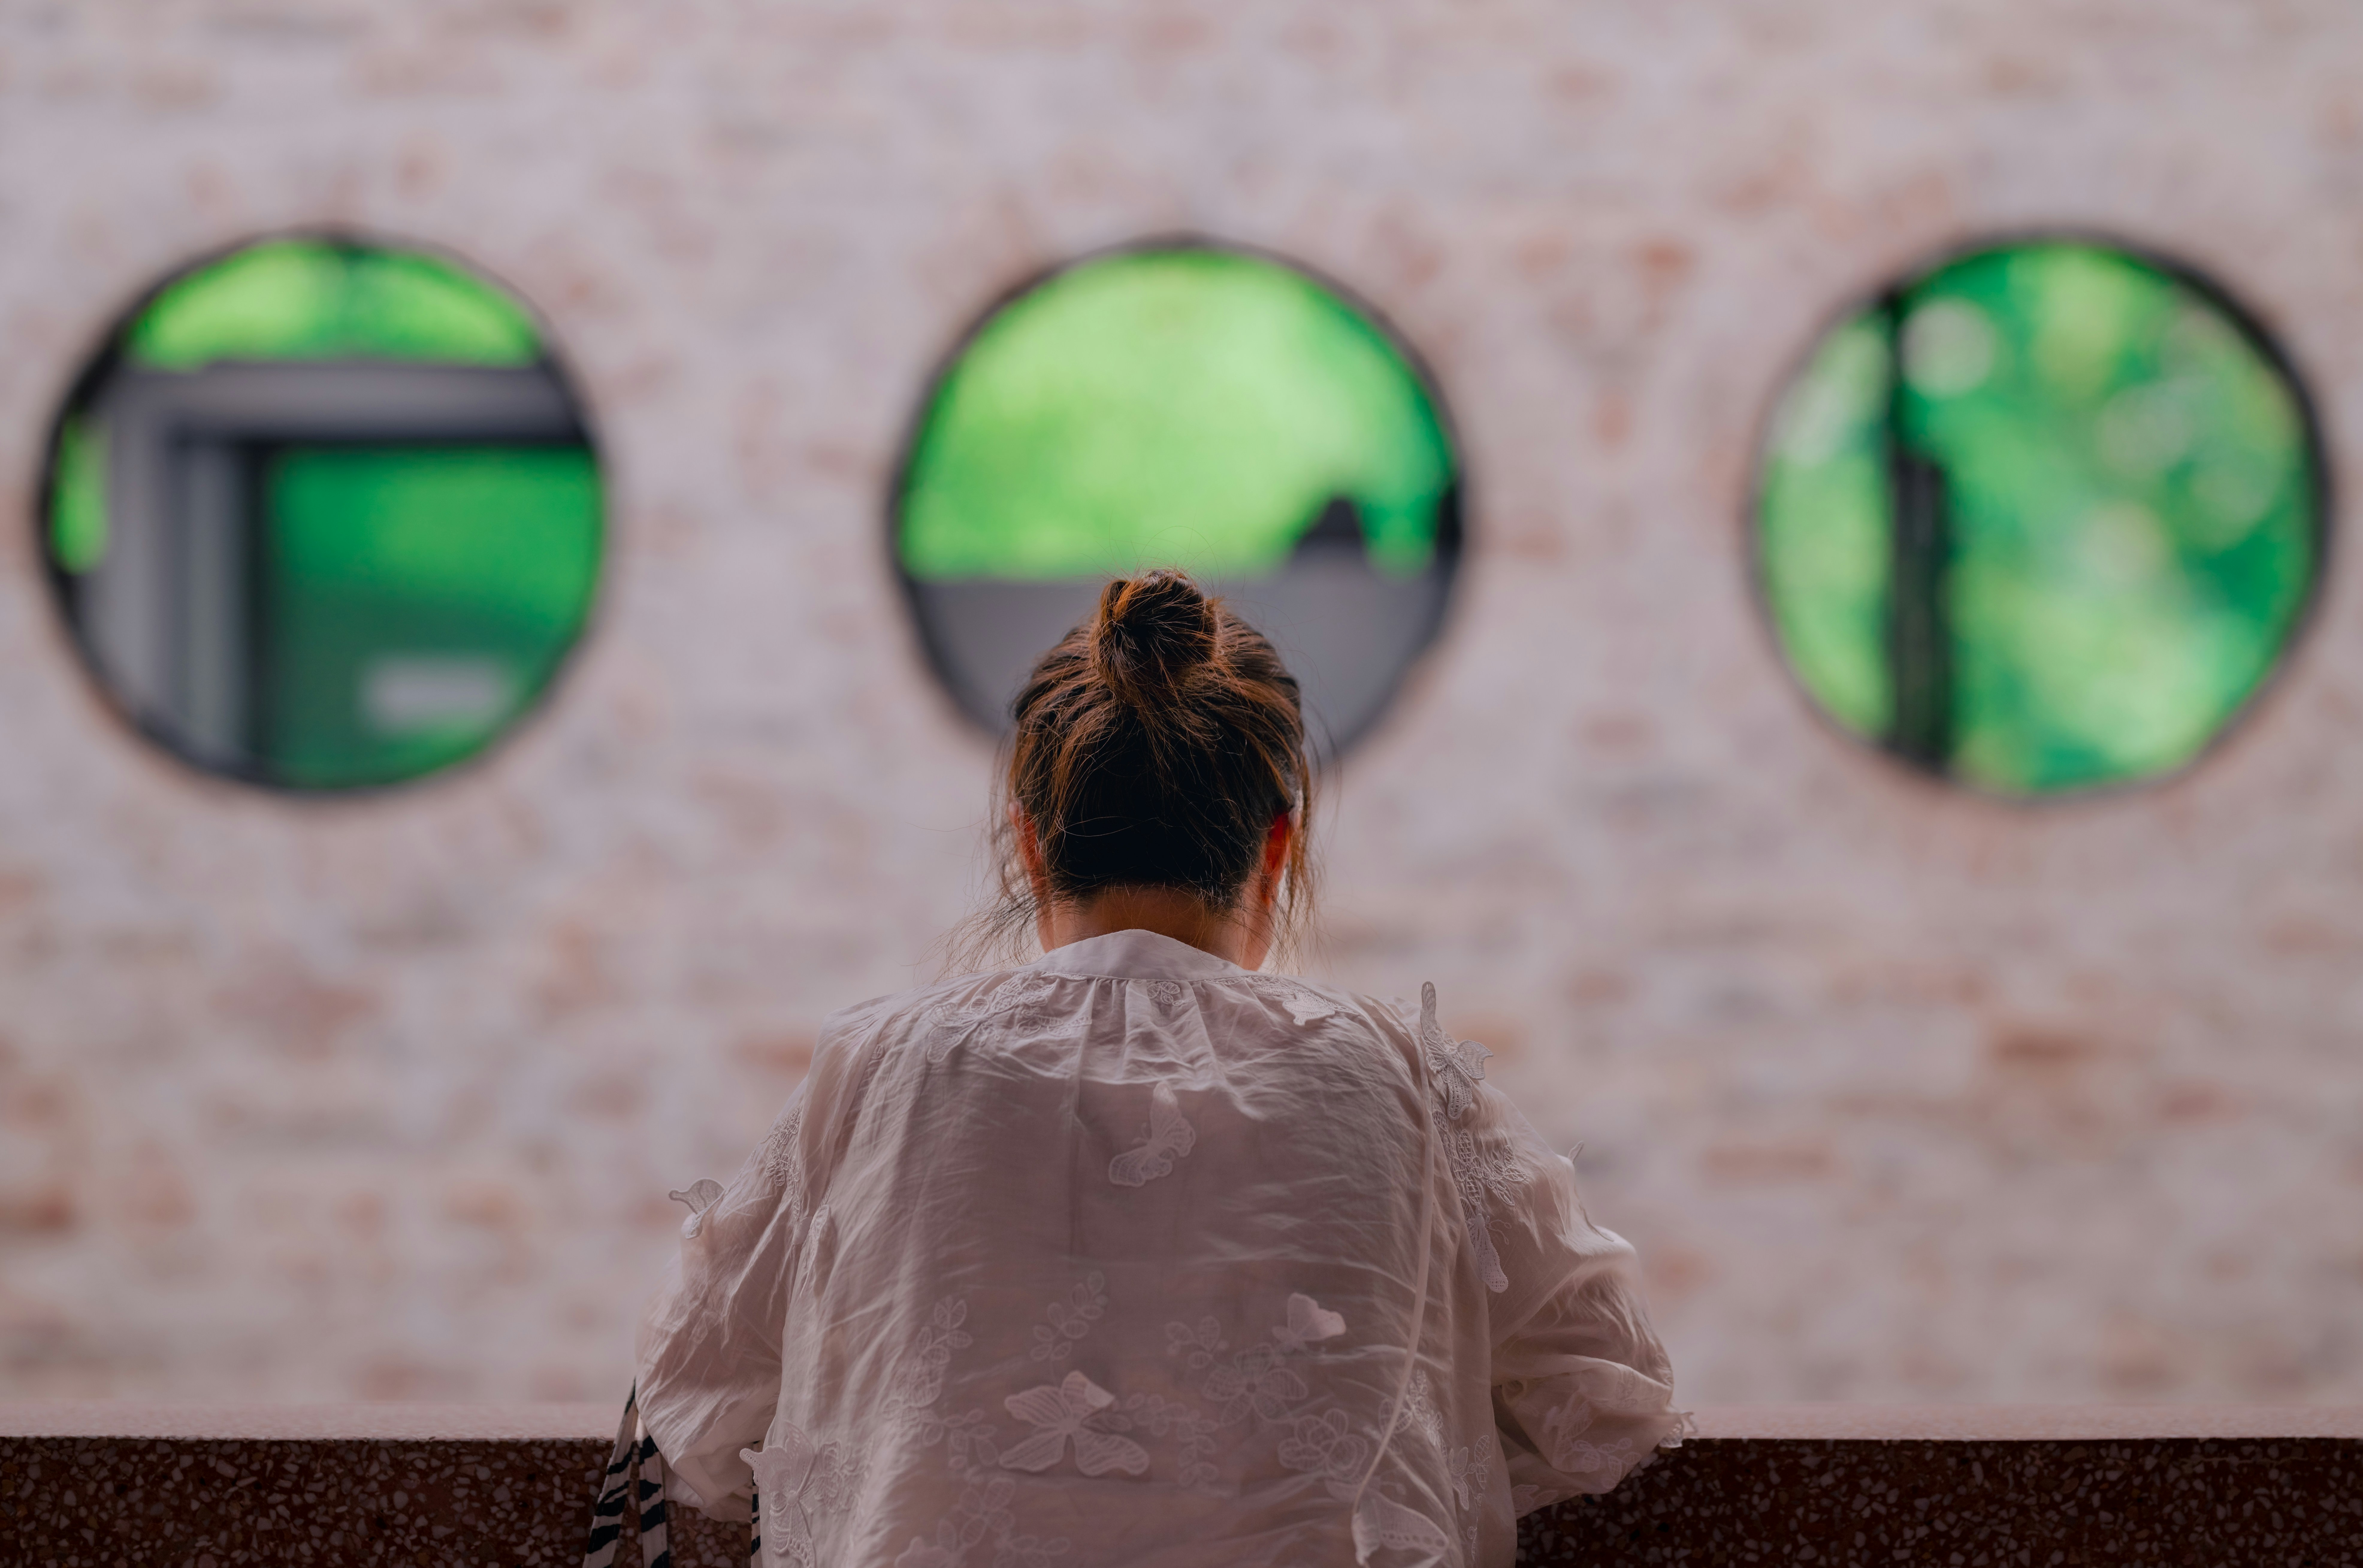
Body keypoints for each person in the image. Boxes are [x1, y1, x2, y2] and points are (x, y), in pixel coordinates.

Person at [633, 570, 1682, 1568]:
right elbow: (1606, 1396)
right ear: (1278, 850)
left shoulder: (876, 1073)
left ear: (1029, 846)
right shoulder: (1403, 1075)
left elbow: (698, 1410)